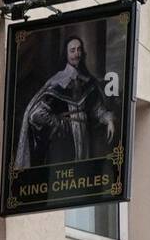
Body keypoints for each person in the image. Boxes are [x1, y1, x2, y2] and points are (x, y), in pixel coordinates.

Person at [15, 36, 116, 168]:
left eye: (79, 50)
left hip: (84, 138)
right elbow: (35, 114)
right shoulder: (57, 82)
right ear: (66, 54)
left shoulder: (86, 81)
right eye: (72, 50)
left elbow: (96, 108)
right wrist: (60, 124)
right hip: (63, 140)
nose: (76, 54)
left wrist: (108, 119)